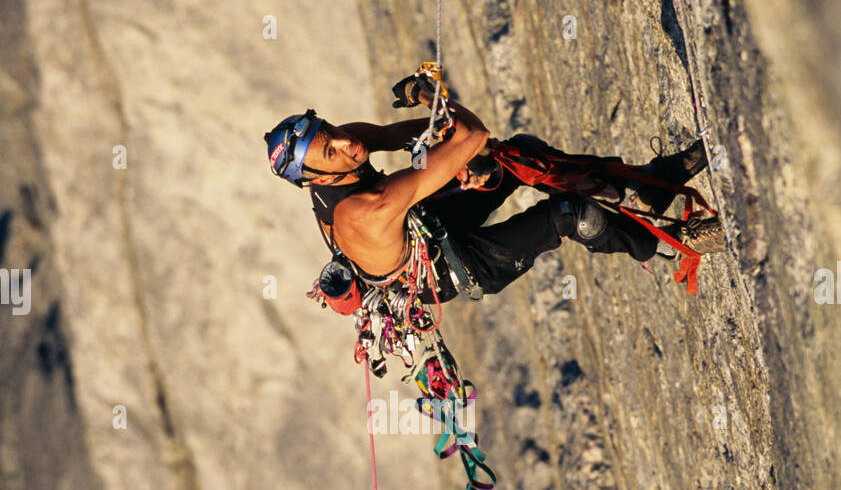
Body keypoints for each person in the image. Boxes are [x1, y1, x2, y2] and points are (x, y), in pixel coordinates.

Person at [263, 83, 720, 304]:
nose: (346, 144)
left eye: (330, 130)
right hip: (448, 269)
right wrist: (429, 93)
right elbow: (473, 134)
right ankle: (671, 247)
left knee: (516, 156)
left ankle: (644, 188)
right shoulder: (361, 213)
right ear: (313, 177)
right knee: (568, 216)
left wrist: (457, 156)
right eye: (329, 148)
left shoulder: (344, 145)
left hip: (421, 227)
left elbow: (436, 135)